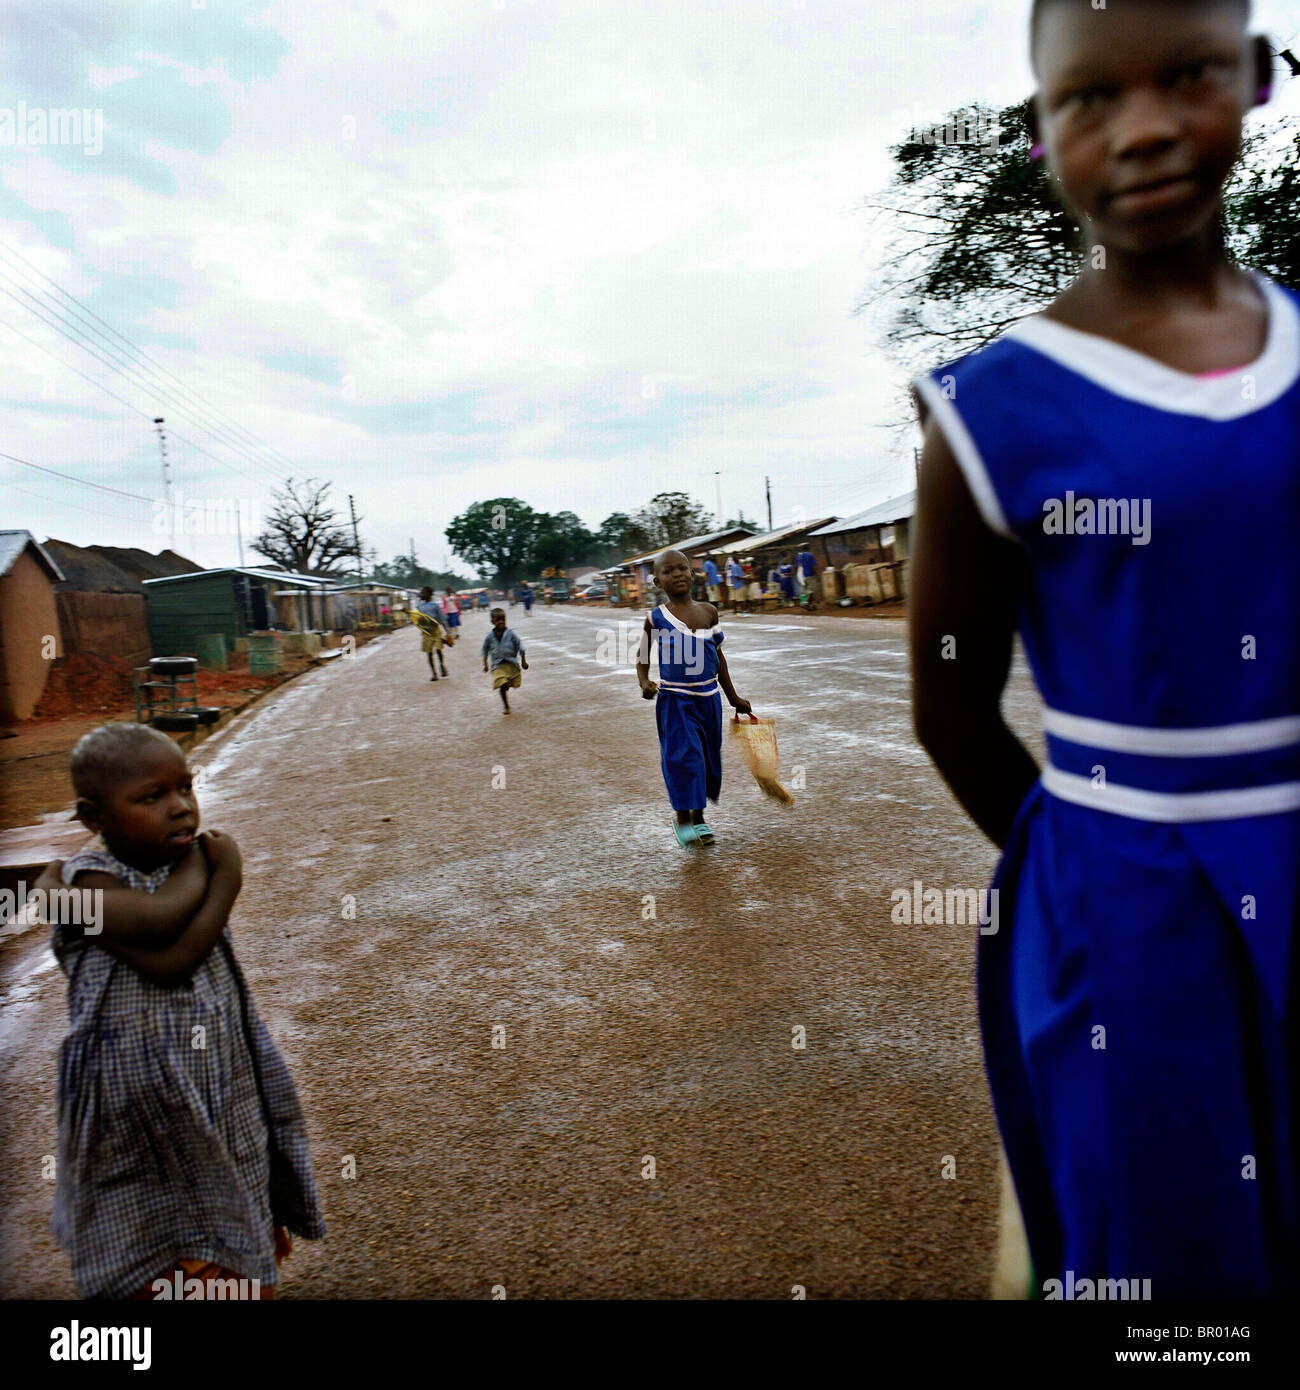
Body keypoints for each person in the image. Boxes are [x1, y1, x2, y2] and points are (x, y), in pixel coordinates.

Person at [909, 0, 1297, 1299]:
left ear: (1253, 75)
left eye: (1185, 75)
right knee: (1164, 1239)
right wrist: (1094, 864)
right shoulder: (991, 412)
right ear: (1039, 132)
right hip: (1120, 897)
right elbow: (951, 712)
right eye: (1088, 99)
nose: (1140, 130)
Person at [33, 723, 324, 1299]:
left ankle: (229, 1276)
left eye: (184, 790)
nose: (179, 809)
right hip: (138, 1107)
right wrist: (222, 877)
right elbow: (168, 952)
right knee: (153, 1222)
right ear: (94, 818)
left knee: (228, 1191)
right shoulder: (84, 886)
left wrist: (201, 874)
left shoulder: (164, 875)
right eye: (151, 797)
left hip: (214, 1081)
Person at [636, 550, 751, 847]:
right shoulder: (656, 618)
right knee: (683, 757)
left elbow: (718, 656)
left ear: (692, 573)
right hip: (675, 700)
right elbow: (642, 656)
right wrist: (644, 682)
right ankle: (682, 818)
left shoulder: (709, 612)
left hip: (709, 698)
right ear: (658, 581)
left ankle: (699, 819)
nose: (677, 574)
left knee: (707, 759)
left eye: (682, 568)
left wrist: (733, 696)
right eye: (668, 571)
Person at [482, 607, 528, 713]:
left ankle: (506, 685)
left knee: (510, 683)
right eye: (498, 620)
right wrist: (485, 663)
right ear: (492, 622)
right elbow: (485, 650)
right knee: (502, 683)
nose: (501, 622)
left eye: (503, 619)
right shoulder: (489, 636)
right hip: (497, 665)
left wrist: (523, 660)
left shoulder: (510, 634)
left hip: (511, 663)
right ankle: (506, 706)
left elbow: (519, 645)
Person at [414, 586, 450, 680]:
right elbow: (414, 616)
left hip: (436, 631)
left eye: (422, 593)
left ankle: (442, 666)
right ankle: (434, 673)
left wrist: (447, 632)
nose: (421, 595)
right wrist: (406, 612)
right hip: (426, 633)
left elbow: (442, 619)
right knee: (429, 653)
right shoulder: (419, 607)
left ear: (428, 595)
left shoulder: (435, 606)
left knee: (439, 650)